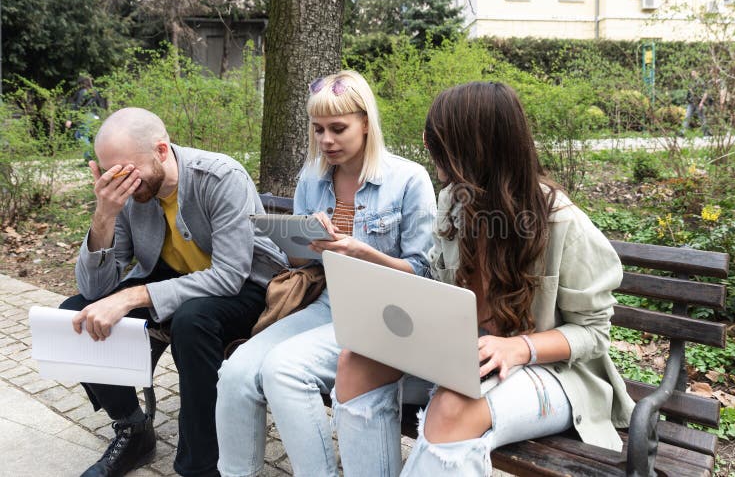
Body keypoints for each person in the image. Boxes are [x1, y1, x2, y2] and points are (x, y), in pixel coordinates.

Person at [332, 81, 635, 476]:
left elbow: (593, 335)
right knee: (355, 364)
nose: (427, 145)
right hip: (464, 356)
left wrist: (519, 348)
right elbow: (441, 291)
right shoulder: (453, 203)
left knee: (452, 409)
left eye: (439, 138)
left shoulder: (562, 222)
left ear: (475, 147)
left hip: (550, 371)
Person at [215, 70, 436, 477]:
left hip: (385, 313)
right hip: (329, 305)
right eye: (318, 130)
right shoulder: (313, 178)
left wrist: (361, 251)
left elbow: (423, 273)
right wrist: (300, 239)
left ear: (366, 123)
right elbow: (304, 266)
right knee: (237, 371)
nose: (326, 141)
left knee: (284, 370)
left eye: (338, 128)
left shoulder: (407, 179)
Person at [59, 107, 288, 477]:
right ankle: (132, 429)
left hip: (247, 286)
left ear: (161, 151)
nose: (119, 183)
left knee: (192, 320)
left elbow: (230, 275)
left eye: (125, 171)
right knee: (76, 311)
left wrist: (133, 296)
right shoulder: (130, 196)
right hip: (175, 279)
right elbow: (93, 287)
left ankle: (200, 466)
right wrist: (104, 215)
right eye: (107, 173)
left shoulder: (219, 176)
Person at [681, 69, 711, 137]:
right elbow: (689, 93)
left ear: (697, 73)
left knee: (702, 118)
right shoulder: (690, 82)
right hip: (691, 103)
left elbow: (705, 93)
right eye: (692, 73)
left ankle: (706, 133)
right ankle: (682, 132)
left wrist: (701, 103)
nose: (693, 74)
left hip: (698, 103)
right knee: (687, 117)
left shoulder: (701, 82)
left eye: (694, 72)